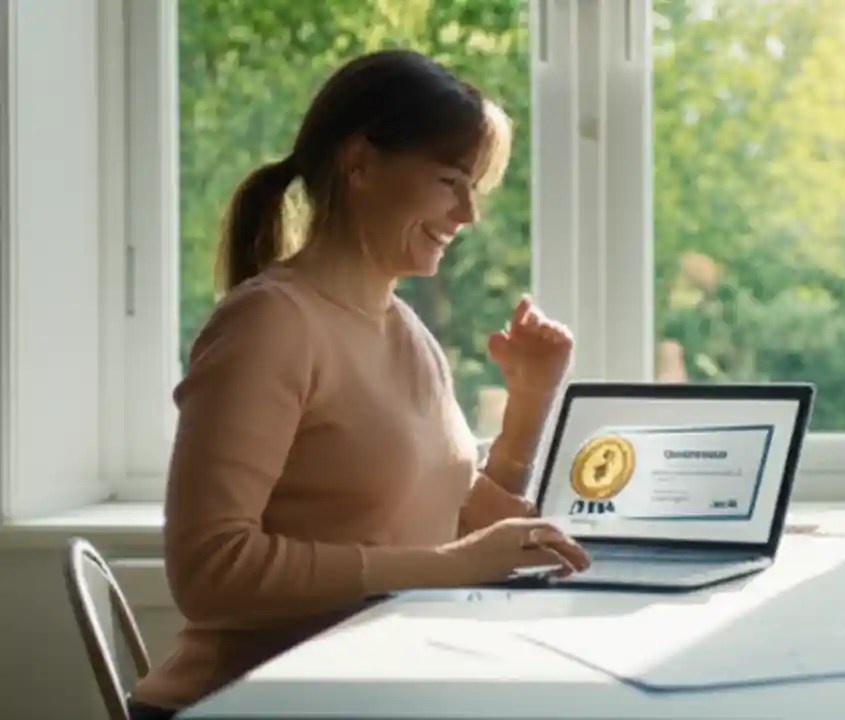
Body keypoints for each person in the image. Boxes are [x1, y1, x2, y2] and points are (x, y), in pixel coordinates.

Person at [127, 50, 590, 720]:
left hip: (368, 690)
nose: (467, 215)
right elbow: (211, 574)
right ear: (360, 163)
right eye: (449, 181)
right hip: (241, 704)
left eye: (472, 190)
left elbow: (449, 518)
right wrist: (454, 565)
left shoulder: (405, 332)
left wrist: (529, 404)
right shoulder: (270, 324)